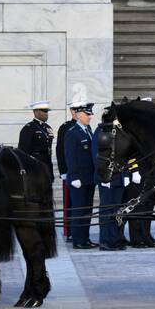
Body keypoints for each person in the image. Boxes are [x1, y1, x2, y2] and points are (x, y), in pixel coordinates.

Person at [64, 101, 99, 249]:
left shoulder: (88, 130)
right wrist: (73, 176)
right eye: (87, 114)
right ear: (78, 115)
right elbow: (70, 156)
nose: (89, 117)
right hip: (78, 179)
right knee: (79, 210)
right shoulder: (72, 133)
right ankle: (78, 240)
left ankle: (85, 238)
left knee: (87, 210)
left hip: (89, 178)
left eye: (90, 114)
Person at [17, 100, 54, 175]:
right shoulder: (29, 128)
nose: (46, 114)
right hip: (35, 163)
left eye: (47, 111)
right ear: (36, 112)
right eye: (44, 111)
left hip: (47, 162)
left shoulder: (48, 128)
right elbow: (23, 151)